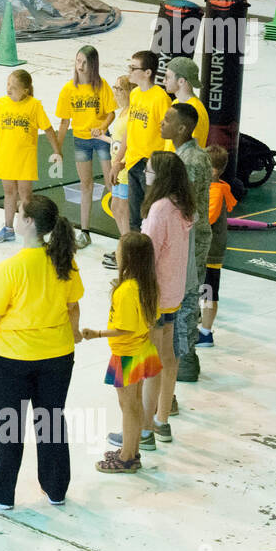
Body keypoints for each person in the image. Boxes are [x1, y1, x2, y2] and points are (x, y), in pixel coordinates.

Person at [0, 195, 82, 510]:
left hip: (13, 359)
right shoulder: (64, 261)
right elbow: (73, 307)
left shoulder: (12, 268)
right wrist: (74, 334)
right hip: (58, 356)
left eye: (18, 213)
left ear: (29, 222)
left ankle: (2, 492)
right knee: (51, 420)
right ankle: (56, 488)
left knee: (10, 424)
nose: (15, 216)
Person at [126, 151, 194, 451]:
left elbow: (146, 252)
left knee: (148, 364)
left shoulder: (160, 209)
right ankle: (161, 420)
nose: (146, 175)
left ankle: (143, 430)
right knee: (167, 358)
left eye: (150, 171)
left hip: (154, 295)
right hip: (173, 295)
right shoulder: (183, 206)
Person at [82, 231, 161, 474]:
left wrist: (95, 333)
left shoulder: (126, 290)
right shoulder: (148, 284)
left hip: (126, 354)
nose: (116, 252)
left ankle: (127, 458)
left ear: (128, 257)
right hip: (142, 349)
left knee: (127, 405)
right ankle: (132, 449)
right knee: (134, 403)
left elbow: (123, 328)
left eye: (119, 248)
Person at [0, 69, 63, 243]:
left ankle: (31, 230)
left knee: (25, 195)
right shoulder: (2, 104)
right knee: (9, 192)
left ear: (25, 90)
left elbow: (48, 129)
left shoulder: (34, 106)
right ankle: (8, 228)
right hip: (5, 156)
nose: (9, 89)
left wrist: (57, 150)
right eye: (8, 84)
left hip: (25, 159)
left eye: (14, 87)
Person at [164, 102, 212, 389]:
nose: (161, 122)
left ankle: (185, 359)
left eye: (168, 119)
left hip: (190, 239)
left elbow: (185, 206)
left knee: (186, 297)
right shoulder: (184, 155)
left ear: (182, 128)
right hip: (188, 236)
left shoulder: (190, 160)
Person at [55, 46, 116, 247]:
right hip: (80, 140)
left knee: (111, 183)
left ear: (93, 65)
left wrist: (103, 127)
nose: (80, 66)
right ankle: (85, 231)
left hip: (101, 140)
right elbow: (64, 122)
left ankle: (126, 228)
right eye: (77, 61)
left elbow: (111, 113)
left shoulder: (102, 86)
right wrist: (58, 149)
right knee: (86, 185)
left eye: (84, 62)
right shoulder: (68, 89)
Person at [112, 50, 171, 233]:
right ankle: (135, 257)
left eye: (133, 67)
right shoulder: (136, 94)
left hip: (151, 165)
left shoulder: (161, 98)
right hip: (132, 163)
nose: (129, 70)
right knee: (134, 219)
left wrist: (159, 165)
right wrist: (118, 161)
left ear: (147, 73)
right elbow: (130, 131)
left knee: (151, 217)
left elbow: (168, 134)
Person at [198, 145, 236, 349]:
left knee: (208, 292)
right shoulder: (212, 187)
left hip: (210, 252)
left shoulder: (215, 192)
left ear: (212, 170)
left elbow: (207, 218)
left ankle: (205, 333)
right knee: (204, 291)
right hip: (205, 251)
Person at [101, 76, 135, 269]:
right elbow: (118, 142)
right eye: (114, 88)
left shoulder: (131, 114)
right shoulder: (123, 113)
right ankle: (124, 245)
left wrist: (121, 163)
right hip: (118, 166)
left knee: (122, 209)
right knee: (116, 207)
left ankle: (127, 251)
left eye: (119, 89)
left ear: (129, 92)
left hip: (123, 168)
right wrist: (104, 138)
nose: (115, 92)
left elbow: (129, 143)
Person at [162, 56, 208, 149]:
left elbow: (191, 150)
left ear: (181, 81)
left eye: (167, 77)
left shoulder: (195, 110)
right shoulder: (176, 103)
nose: (164, 81)